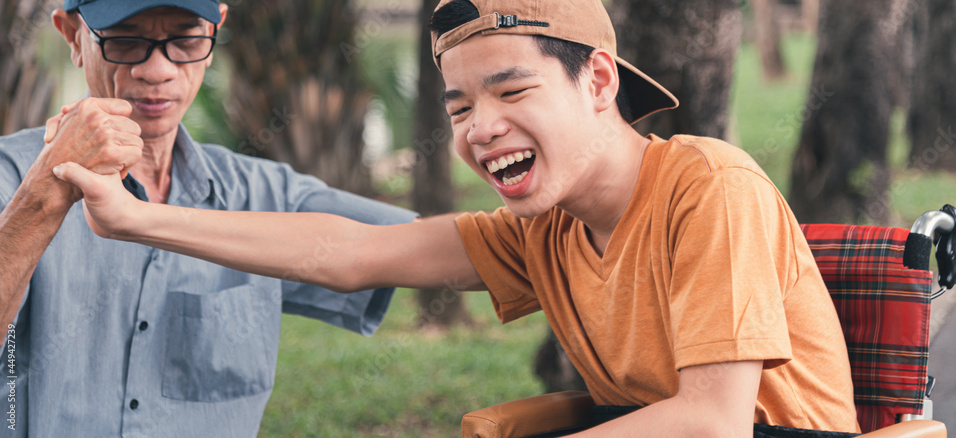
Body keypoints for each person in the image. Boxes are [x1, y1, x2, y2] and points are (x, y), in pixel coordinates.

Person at [53, 0, 861, 435]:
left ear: (599, 82)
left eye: (512, 92)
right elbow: (350, 253)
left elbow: (713, 422)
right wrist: (134, 219)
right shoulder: (544, 228)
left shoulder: (707, 186)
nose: (479, 128)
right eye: (461, 104)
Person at [0, 0, 416, 436]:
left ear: (215, 31)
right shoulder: (13, 179)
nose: (158, 70)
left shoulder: (264, 194)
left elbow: (443, 248)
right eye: (125, 40)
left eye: (184, 39)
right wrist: (44, 194)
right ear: (72, 36)